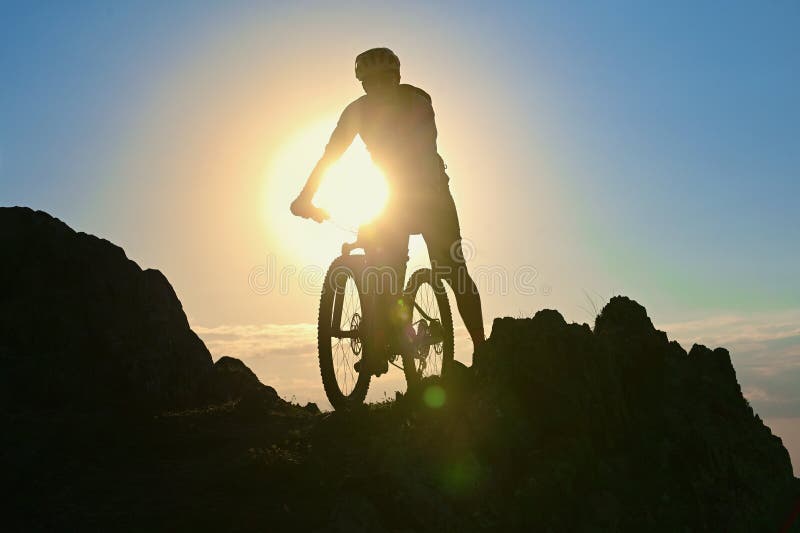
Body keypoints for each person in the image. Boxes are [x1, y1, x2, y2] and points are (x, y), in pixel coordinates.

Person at [290, 47, 485, 375]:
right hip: (394, 195)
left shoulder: (417, 102)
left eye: (384, 79)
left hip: (432, 194)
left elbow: (422, 149)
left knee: (452, 270)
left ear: (397, 78)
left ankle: (483, 350)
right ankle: (385, 339)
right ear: (363, 86)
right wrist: (305, 197)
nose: (378, 88)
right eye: (370, 82)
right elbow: (331, 156)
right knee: (385, 268)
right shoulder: (356, 112)